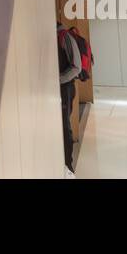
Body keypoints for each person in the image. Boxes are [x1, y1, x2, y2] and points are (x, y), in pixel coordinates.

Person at [57, 21, 82, 176]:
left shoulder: (64, 36)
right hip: (58, 88)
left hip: (65, 88)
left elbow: (76, 67)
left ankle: (68, 164)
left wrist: (58, 79)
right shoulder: (55, 37)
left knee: (64, 126)